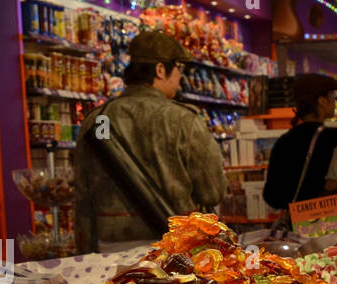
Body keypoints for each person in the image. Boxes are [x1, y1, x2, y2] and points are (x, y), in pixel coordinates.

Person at [76, 30, 227, 253]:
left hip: (109, 250)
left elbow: (83, 199)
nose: (180, 77)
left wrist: (85, 256)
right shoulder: (184, 119)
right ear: (159, 69)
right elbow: (212, 192)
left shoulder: (98, 120)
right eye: (179, 68)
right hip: (174, 249)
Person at [263, 73, 337, 212]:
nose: (334, 102)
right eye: (332, 97)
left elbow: (272, 196)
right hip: (333, 222)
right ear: (321, 101)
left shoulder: (284, 141)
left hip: (296, 226)